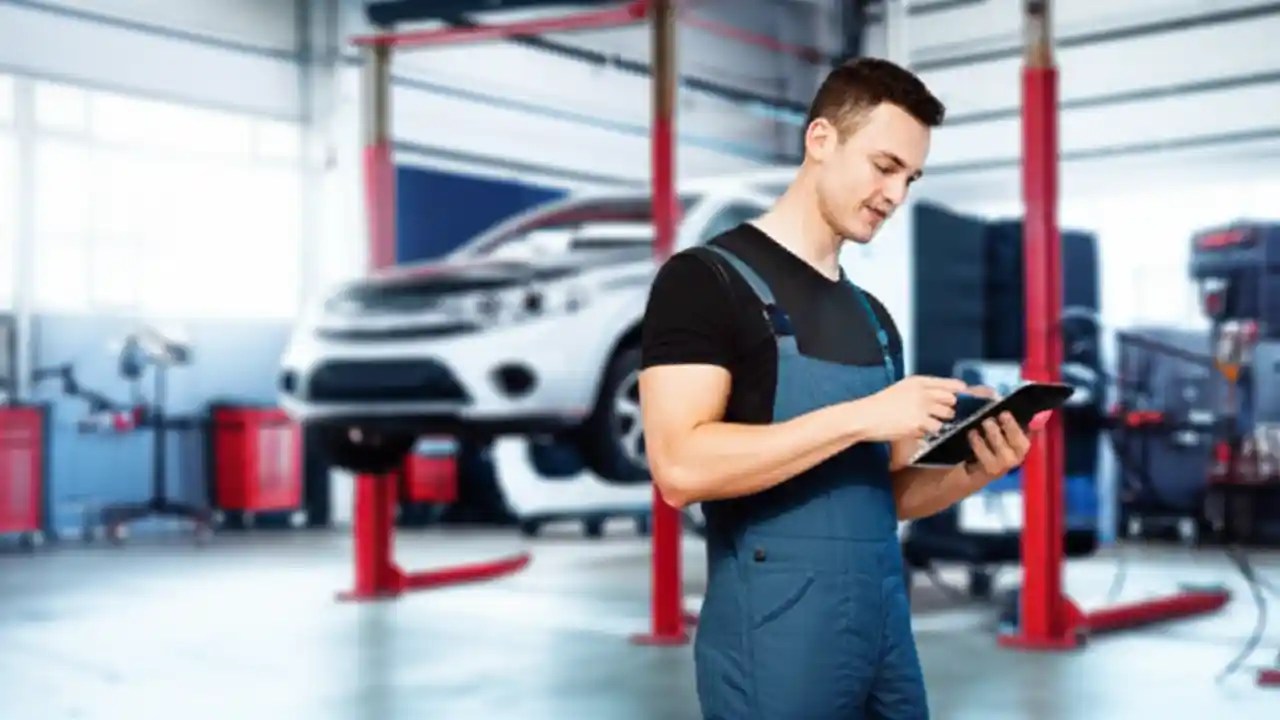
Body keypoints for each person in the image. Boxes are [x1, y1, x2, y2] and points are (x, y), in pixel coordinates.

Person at [637, 57, 1034, 720]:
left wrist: (975, 468)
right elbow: (679, 467)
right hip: (774, 634)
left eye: (910, 178)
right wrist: (862, 416)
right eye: (884, 167)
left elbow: (889, 496)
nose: (895, 195)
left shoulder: (875, 320)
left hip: (883, 625)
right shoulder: (704, 281)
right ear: (821, 140)